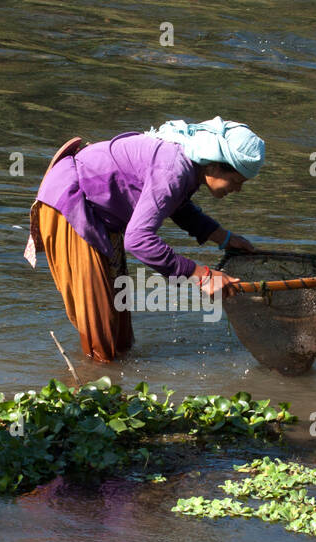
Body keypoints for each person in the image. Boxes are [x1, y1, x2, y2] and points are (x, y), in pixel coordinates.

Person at [27, 117, 263, 362]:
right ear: (214, 166)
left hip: (100, 213)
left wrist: (223, 237)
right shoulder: (173, 170)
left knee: (120, 332)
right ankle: (91, 384)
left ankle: (114, 378)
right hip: (73, 206)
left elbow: (177, 206)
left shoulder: (186, 167)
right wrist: (201, 275)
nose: (237, 189)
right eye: (236, 181)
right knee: (100, 327)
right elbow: (138, 240)